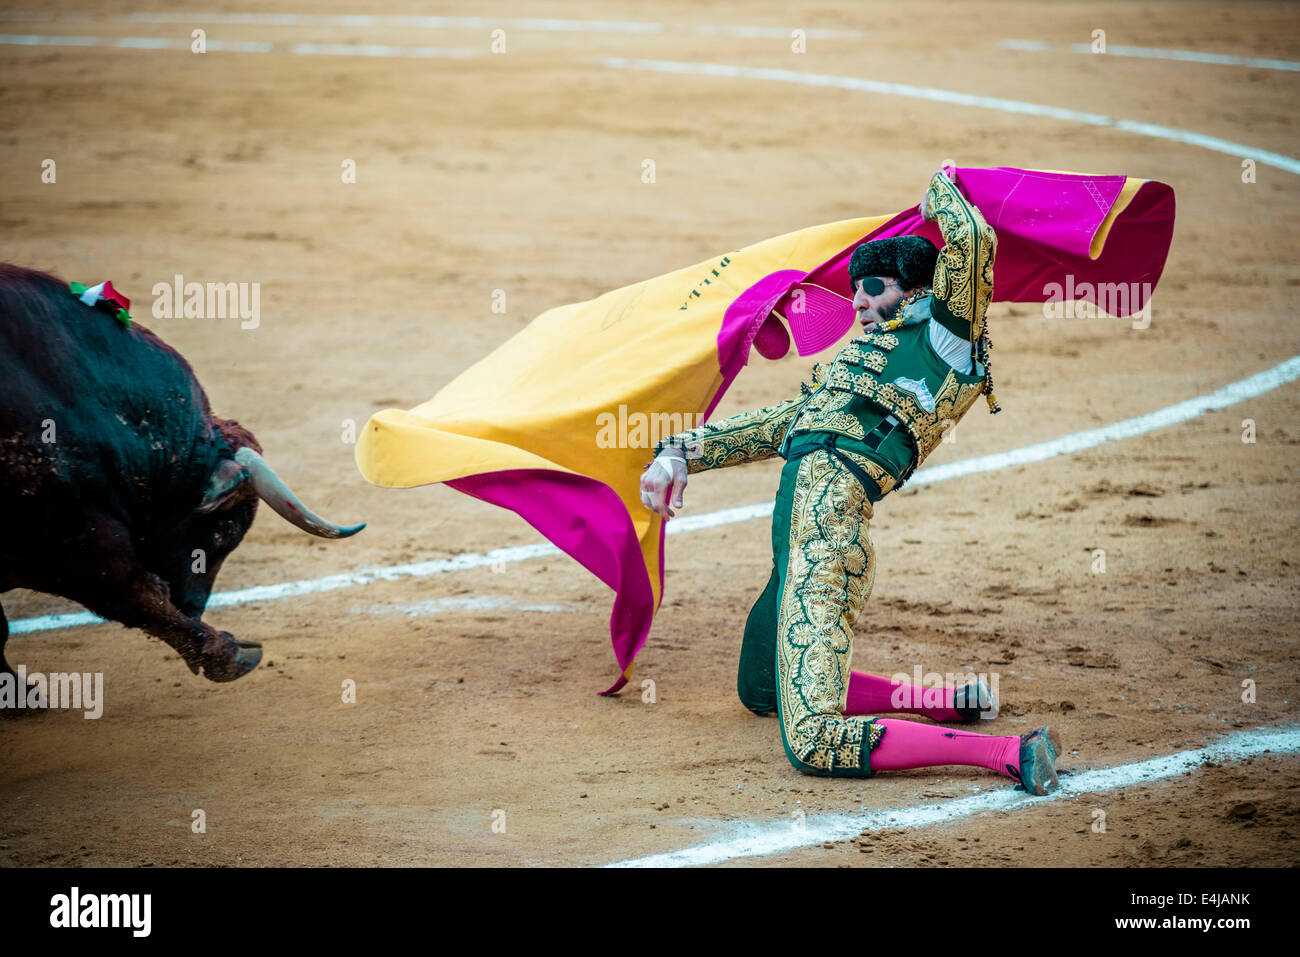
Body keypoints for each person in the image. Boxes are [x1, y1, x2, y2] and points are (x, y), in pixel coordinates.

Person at [640, 170, 1062, 793]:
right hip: (796, 531)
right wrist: (680, 451)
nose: (858, 303)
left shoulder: (944, 339)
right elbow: (781, 423)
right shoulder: (857, 362)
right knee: (760, 688)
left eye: (872, 287)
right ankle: (942, 700)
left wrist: (942, 186)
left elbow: (971, 238)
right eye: (855, 291)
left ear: (916, 289)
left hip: (831, 525)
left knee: (813, 739)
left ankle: (1007, 752)